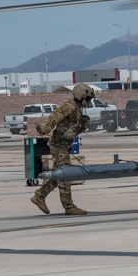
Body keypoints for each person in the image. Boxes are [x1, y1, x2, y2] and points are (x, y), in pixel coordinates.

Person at [30, 83, 94, 216]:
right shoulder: (70, 106)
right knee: (66, 176)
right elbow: (55, 117)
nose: (88, 101)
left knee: (57, 175)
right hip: (59, 146)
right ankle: (69, 207)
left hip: (63, 146)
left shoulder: (77, 108)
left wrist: (83, 122)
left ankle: (39, 196)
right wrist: (45, 130)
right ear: (80, 95)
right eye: (87, 98)